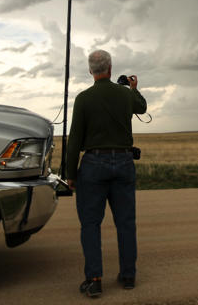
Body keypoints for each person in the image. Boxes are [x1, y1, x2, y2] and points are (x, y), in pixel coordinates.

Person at [66, 49, 147, 298]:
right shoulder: (124, 95)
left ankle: (94, 279)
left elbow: (75, 139)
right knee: (125, 222)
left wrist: (70, 174)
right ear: (110, 69)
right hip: (123, 161)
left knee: (90, 224)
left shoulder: (83, 99)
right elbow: (142, 108)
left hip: (93, 164)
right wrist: (133, 88)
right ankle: (128, 275)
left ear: (91, 71)